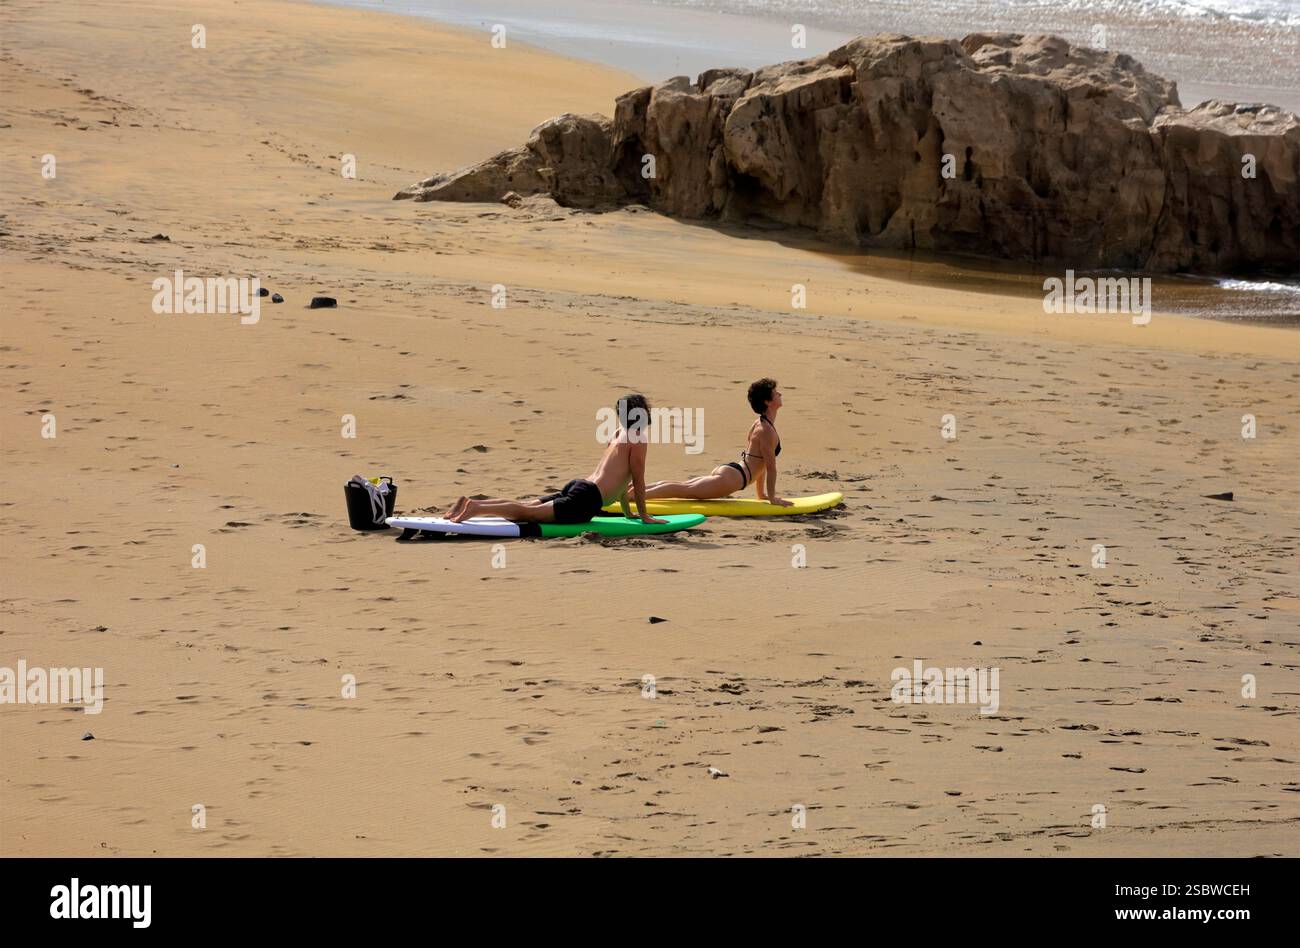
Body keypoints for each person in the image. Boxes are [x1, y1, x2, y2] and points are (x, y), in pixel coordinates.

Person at [445, 394, 668, 524]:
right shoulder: (638, 437)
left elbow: (618, 477)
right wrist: (645, 516)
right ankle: (476, 508)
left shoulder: (619, 432)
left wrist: (629, 514)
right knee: (528, 514)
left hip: (581, 486)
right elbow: (637, 480)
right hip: (587, 499)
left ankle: (473, 503)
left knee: (528, 505)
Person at [643, 378, 791, 506]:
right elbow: (771, 467)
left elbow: (760, 462)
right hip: (733, 479)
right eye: (775, 392)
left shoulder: (760, 424)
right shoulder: (766, 431)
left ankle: (634, 489)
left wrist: (762, 494)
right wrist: (772, 499)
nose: (780, 394)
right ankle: (633, 496)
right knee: (683, 490)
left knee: (683, 486)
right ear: (768, 402)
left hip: (733, 472)